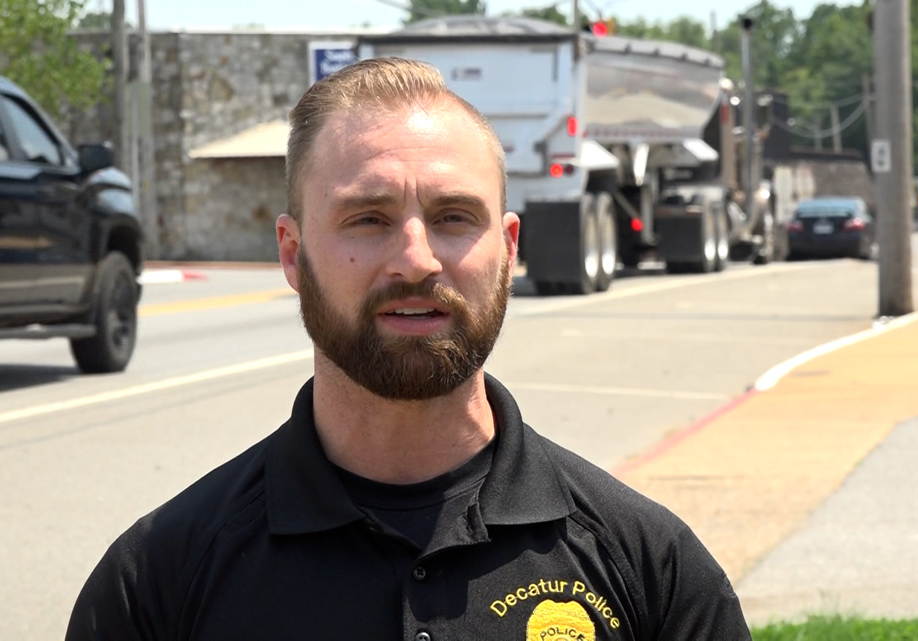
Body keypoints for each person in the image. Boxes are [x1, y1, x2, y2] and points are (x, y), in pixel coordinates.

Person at [66, 57, 750, 640]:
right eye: (369, 217)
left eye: (454, 217)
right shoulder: (156, 582)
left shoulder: (652, 568)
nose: (416, 260)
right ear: (293, 253)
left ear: (509, 250)